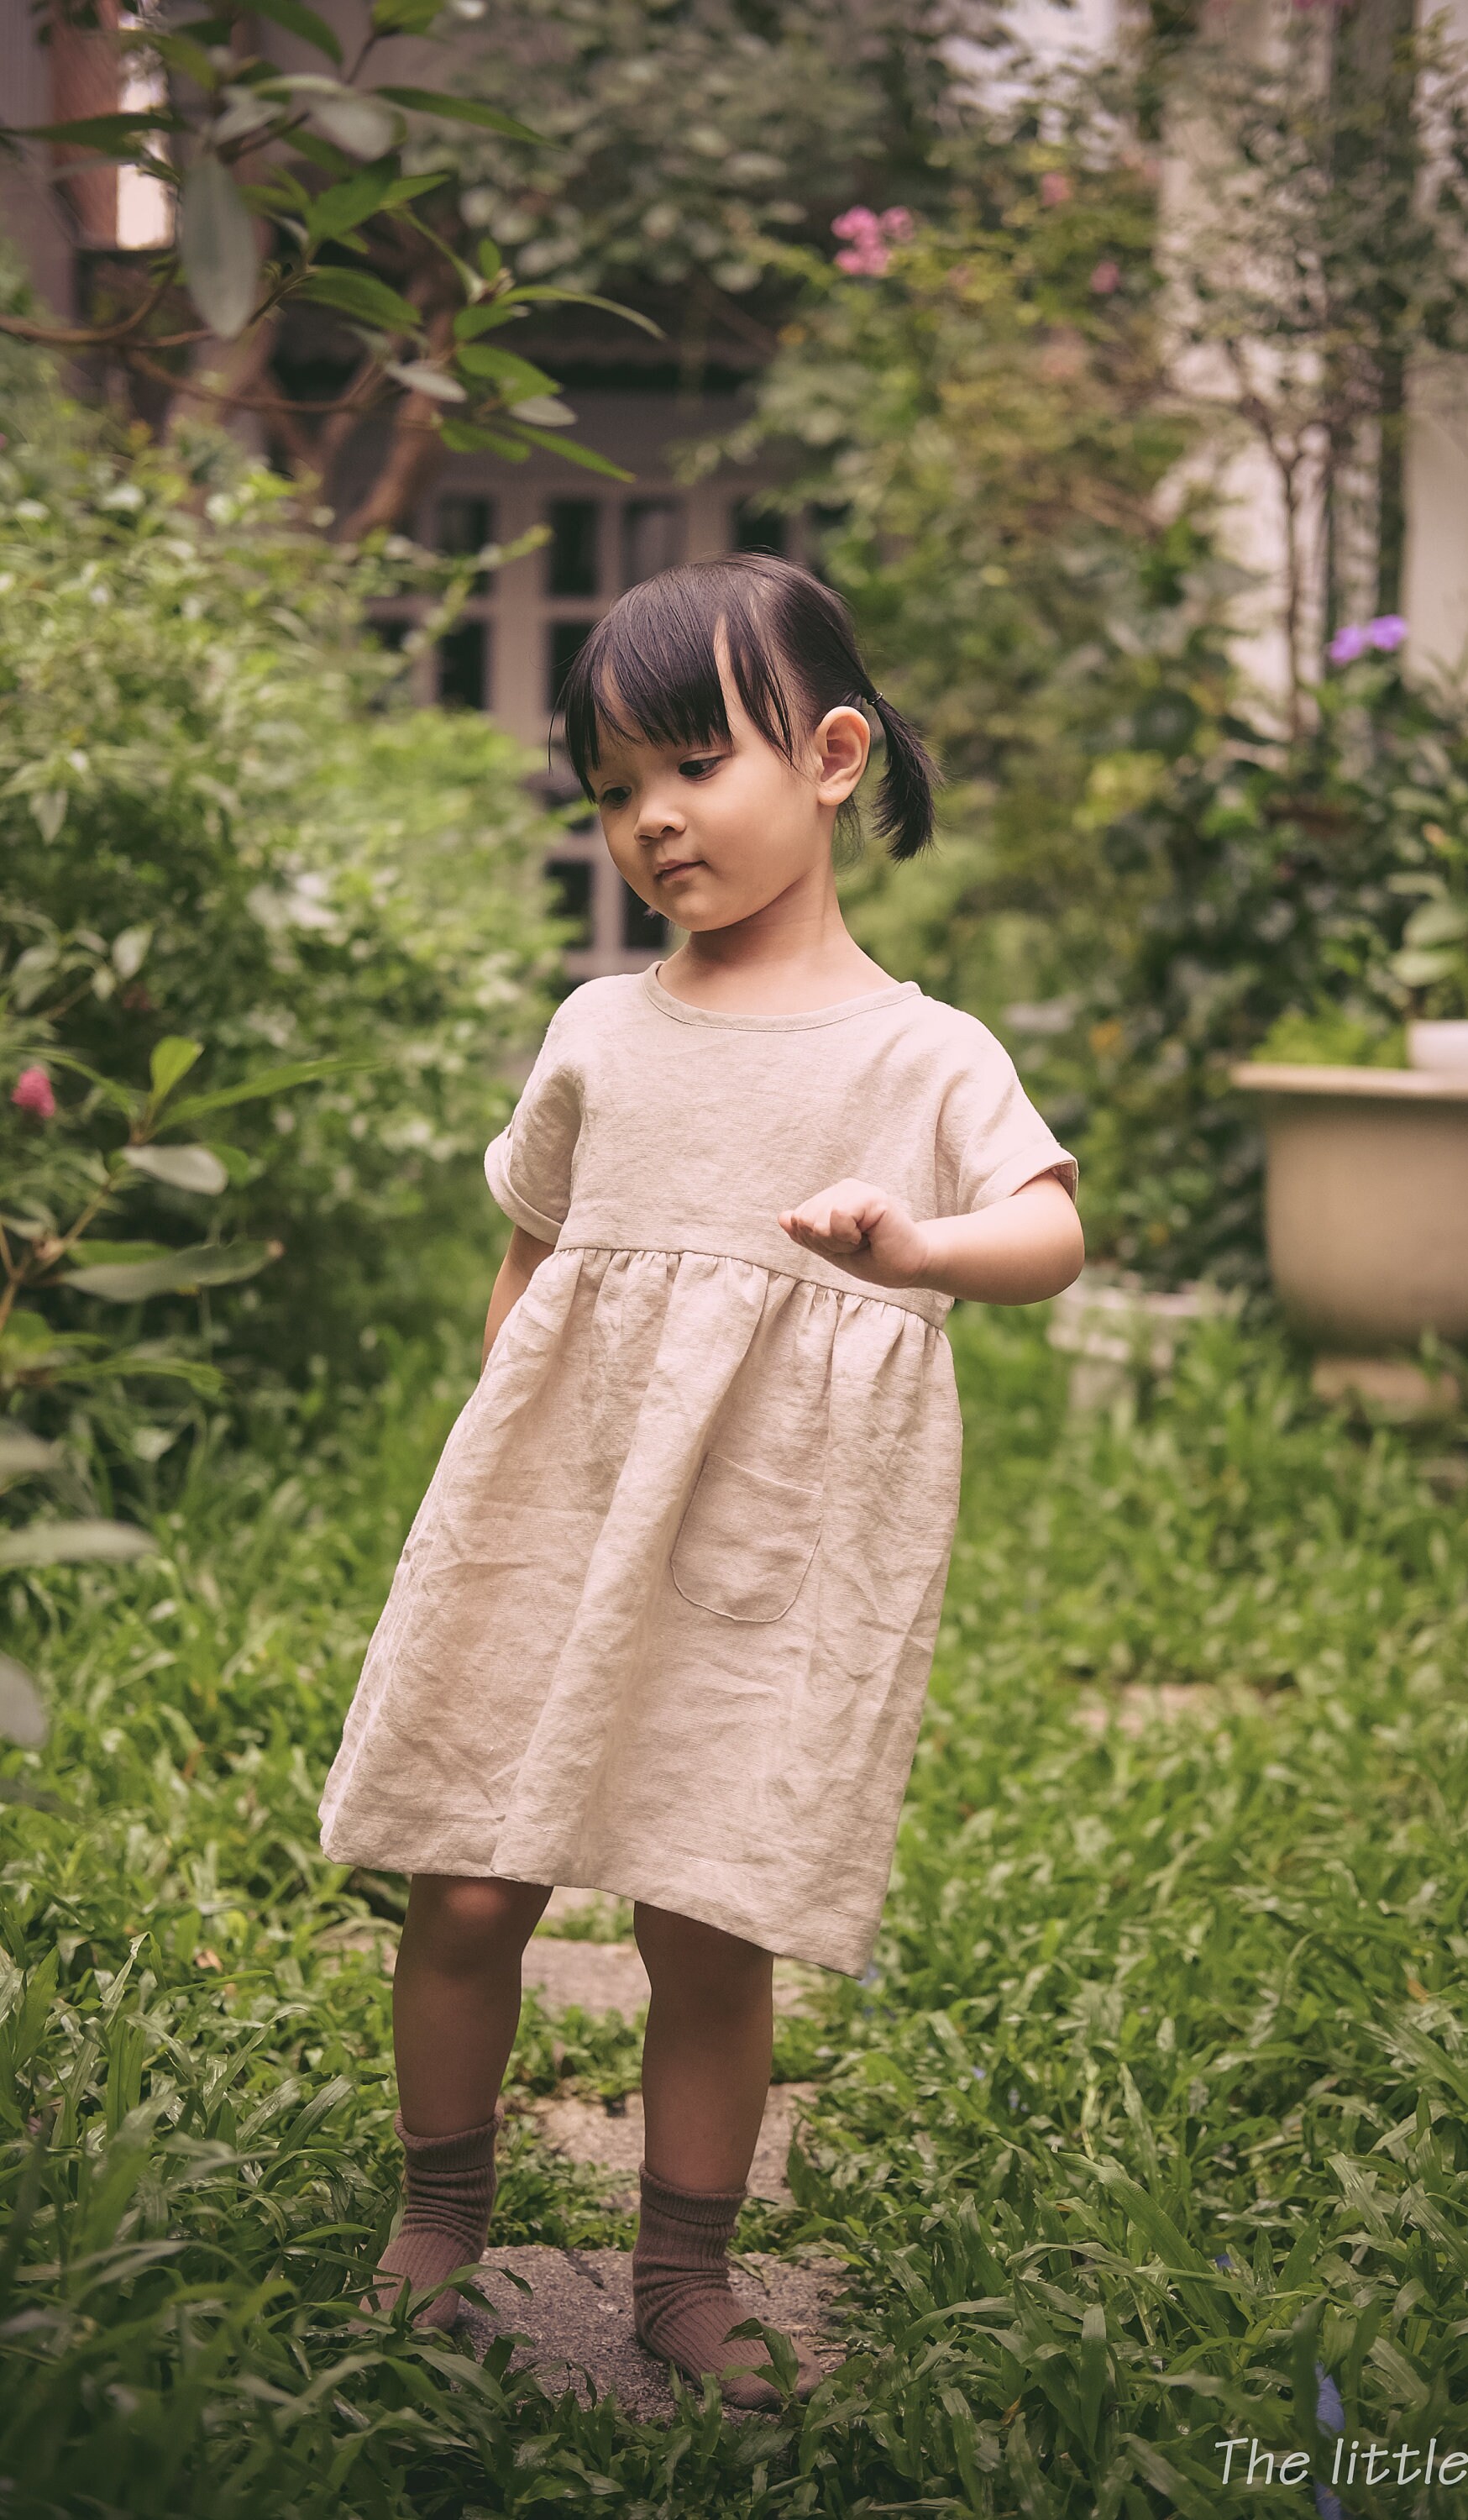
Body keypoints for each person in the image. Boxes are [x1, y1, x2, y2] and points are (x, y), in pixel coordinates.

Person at [317, 553, 1083, 2406]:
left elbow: (1049, 1236)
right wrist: (496, 1463)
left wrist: (915, 1248)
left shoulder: (926, 1054)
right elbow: (531, 1247)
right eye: (611, 787)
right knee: (471, 1881)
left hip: (771, 1548)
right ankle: (437, 2223)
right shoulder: (599, 1026)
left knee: (704, 1907)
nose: (650, 818)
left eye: (690, 764)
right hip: (557, 1515)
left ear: (829, 754)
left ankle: (681, 2272)